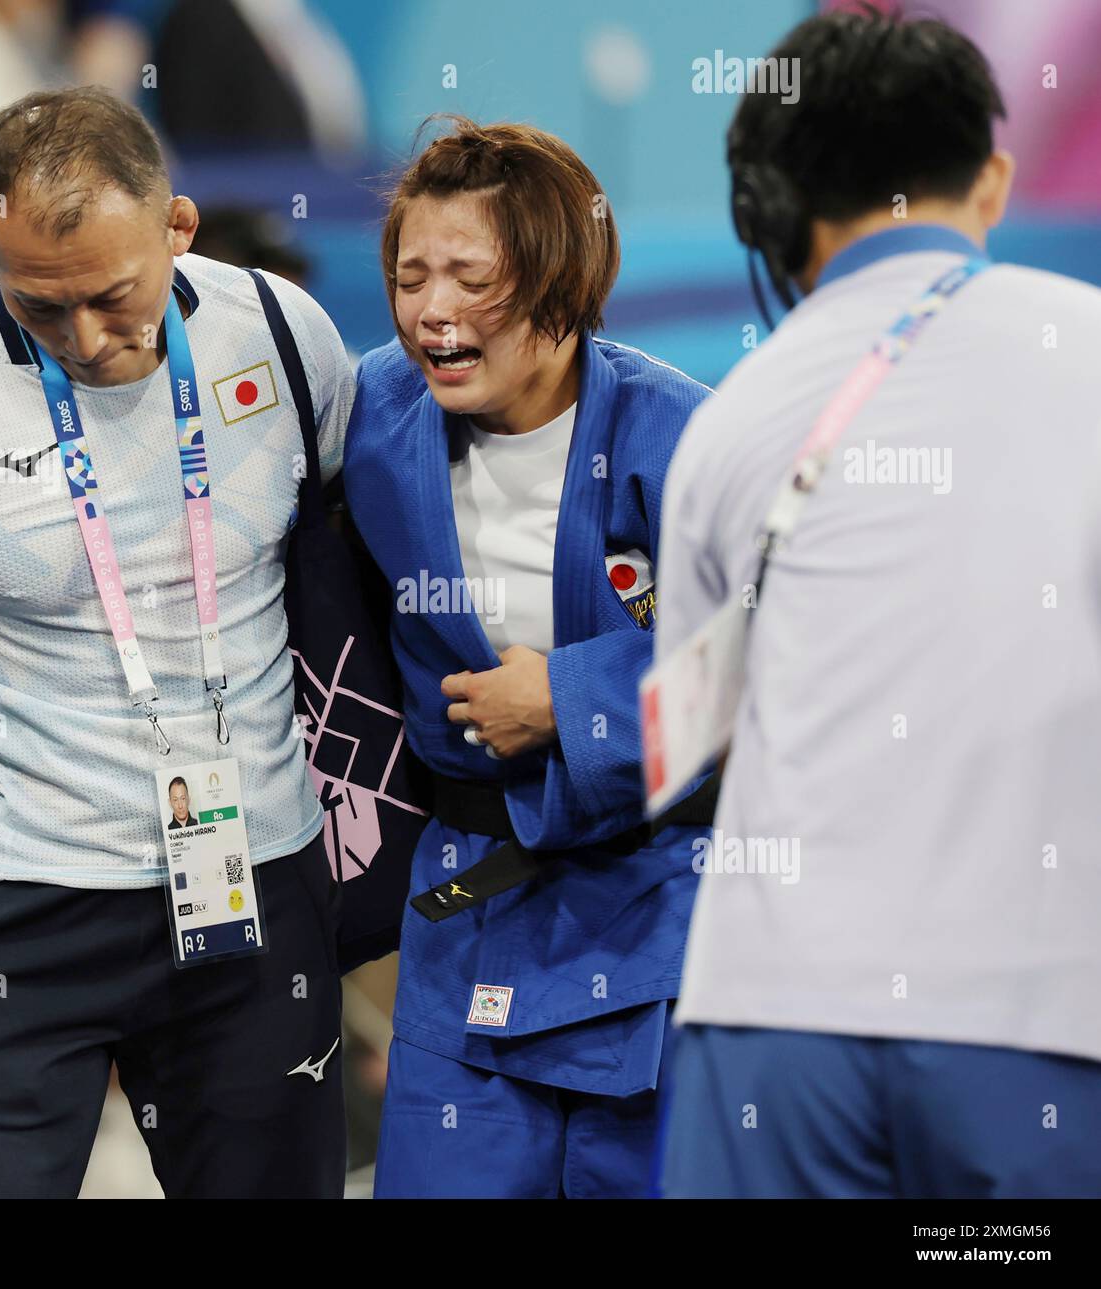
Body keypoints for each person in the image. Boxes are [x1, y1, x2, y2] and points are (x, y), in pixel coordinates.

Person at [0, 86, 354, 1198]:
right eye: (43, 307)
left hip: (253, 892)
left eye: (113, 296)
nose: (89, 339)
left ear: (178, 227)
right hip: (14, 907)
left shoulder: (286, 336)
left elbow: (342, 570)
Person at [653, 8, 1101, 1198]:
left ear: (770, 208)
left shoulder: (731, 419)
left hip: (771, 1028)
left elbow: (693, 740)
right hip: (1044, 1021)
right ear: (994, 178)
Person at [344, 117, 715, 1199]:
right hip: (468, 921)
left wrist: (567, 697)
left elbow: (778, 650)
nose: (432, 310)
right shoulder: (372, 414)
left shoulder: (681, 438)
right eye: (412, 276)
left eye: (470, 276)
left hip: (654, 919)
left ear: (560, 279)